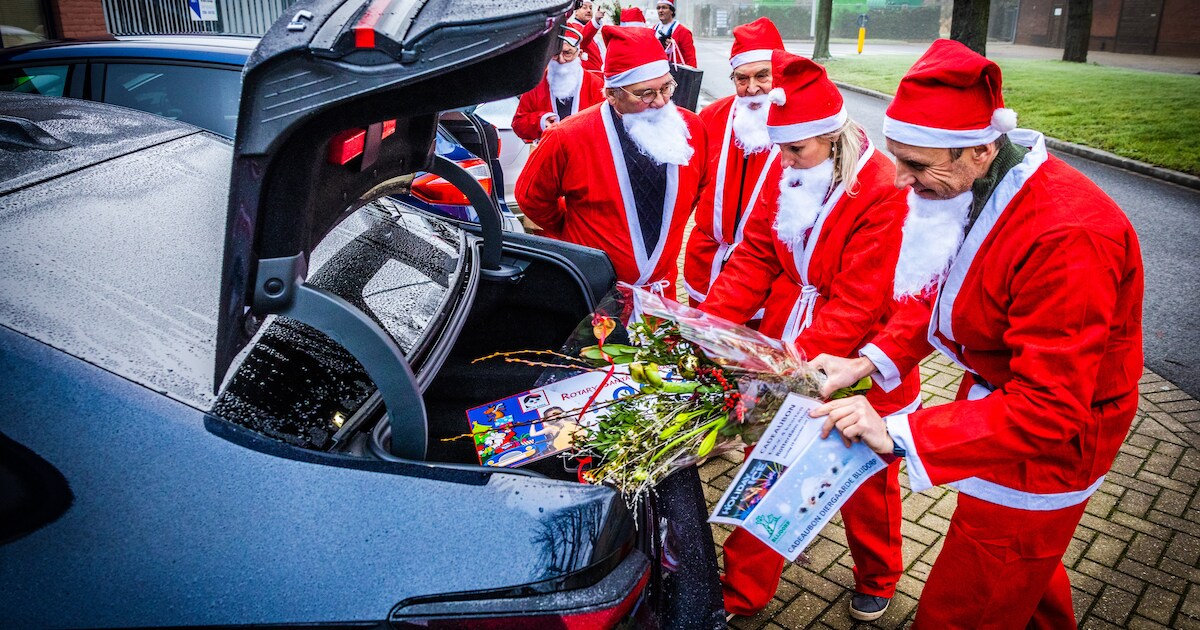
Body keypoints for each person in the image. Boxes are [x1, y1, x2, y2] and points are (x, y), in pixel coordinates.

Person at [809, 39, 1144, 629]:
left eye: (916, 165)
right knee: (1025, 571)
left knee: (973, 597)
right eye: (896, 160)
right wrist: (864, 361)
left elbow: (1050, 407)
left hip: (1051, 442)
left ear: (983, 149)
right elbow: (938, 293)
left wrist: (898, 432)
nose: (900, 182)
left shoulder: (1066, 237)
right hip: (1005, 408)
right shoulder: (973, 186)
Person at [700, 50, 920, 622]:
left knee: (867, 477)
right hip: (788, 335)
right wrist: (713, 328)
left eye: (795, 148)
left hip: (859, 354)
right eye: (780, 148)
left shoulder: (881, 188)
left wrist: (793, 370)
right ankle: (744, 588)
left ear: (832, 135)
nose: (783, 160)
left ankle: (879, 572)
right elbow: (754, 253)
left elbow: (860, 300)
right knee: (771, 465)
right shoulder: (789, 164)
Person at [515, 26, 709, 297]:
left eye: (666, 87)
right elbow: (531, 198)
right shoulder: (567, 137)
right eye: (645, 93)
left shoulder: (692, 128)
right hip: (594, 292)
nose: (661, 101)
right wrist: (575, 230)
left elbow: (697, 189)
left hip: (660, 294)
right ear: (611, 94)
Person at [683, 17, 783, 308]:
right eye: (742, 78)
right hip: (706, 262)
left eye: (762, 76)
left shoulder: (802, 125)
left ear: (780, 74)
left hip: (769, 273)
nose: (752, 88)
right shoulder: (710, 118)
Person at [511, 25, 604, 143]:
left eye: (567, 53)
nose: (561, 60)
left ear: (579, 54)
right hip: (548, 155)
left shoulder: (595, 84)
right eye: (555, 54)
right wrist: (540, 121)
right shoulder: (537, 83)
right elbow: (518, 124)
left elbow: (606, 124)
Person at [653, 0, 697, 67]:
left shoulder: (683, 31)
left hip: (675, 73)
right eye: (658, 8)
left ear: (672, 11)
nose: (660, 11)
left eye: (664, 7)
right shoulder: (654, 29)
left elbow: (690, 58)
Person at [567, 0, 604, 72]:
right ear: (576, 11)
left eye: (590, 8)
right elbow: (582, 40)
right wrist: (595, 21)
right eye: (584, 7)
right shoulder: (572, 28)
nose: (589, 11)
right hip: (586, 77)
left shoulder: (591, 30)